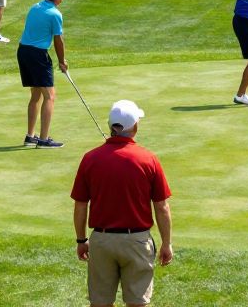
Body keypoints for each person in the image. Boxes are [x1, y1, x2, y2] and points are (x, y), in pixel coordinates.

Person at [71, 100, 173, 307]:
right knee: (137, 304)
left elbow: (81, 205)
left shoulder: (90, 158)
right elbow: (161, 206)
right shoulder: (148, 159)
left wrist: (81, 240)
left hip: (101, 241)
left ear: (111, 127)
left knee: (100, 303)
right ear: (135, 127)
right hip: (137, 242)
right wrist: (166, 243)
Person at [17, 0, 72, 148]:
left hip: (23, 51)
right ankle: (43, 139)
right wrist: (62, 61)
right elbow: (58, 40)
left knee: (36, 95)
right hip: (37, 55)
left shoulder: (35, 7)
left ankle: (30, 136)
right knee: (50, 96)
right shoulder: (55, 14)